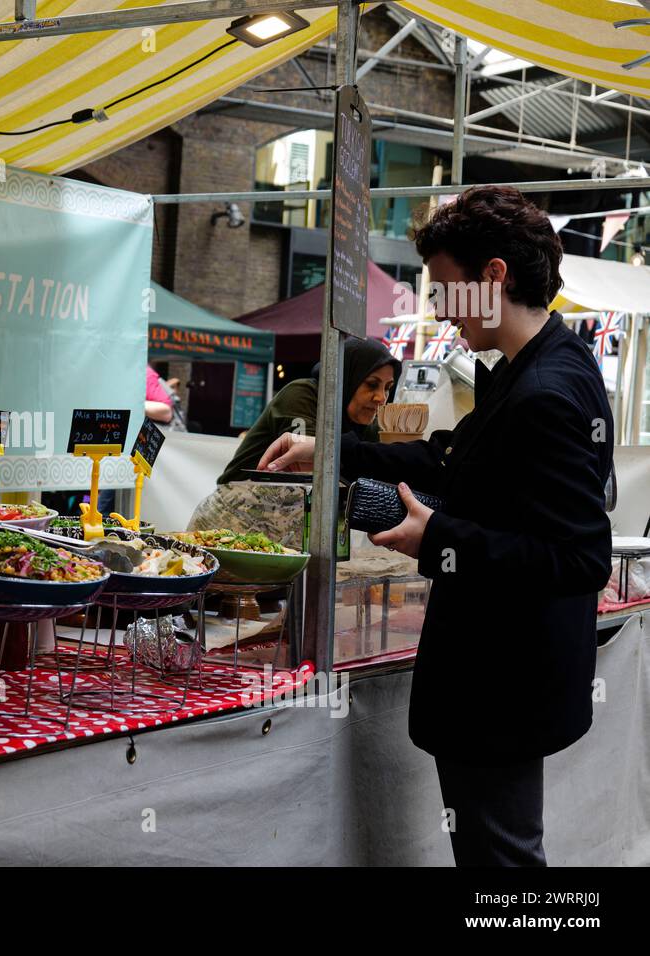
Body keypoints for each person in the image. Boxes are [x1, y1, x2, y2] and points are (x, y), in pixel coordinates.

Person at [259, 186, 613, 866]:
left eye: (448, 289)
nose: (442, 311)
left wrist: (438, 539)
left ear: (494, 277)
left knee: (501, 862)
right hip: (501, 683)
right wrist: (331, 451)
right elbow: (451, 456)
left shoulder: (546, 390)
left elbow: (578, 559)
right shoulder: (534, 366)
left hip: (503, 688)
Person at [217, 338, 399, 484]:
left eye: (387, 388)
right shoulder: (302, 395)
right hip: (237, 503)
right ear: (345, 378)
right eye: (372, 385)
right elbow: (312, 469)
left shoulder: (368, 422)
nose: (381, 397)